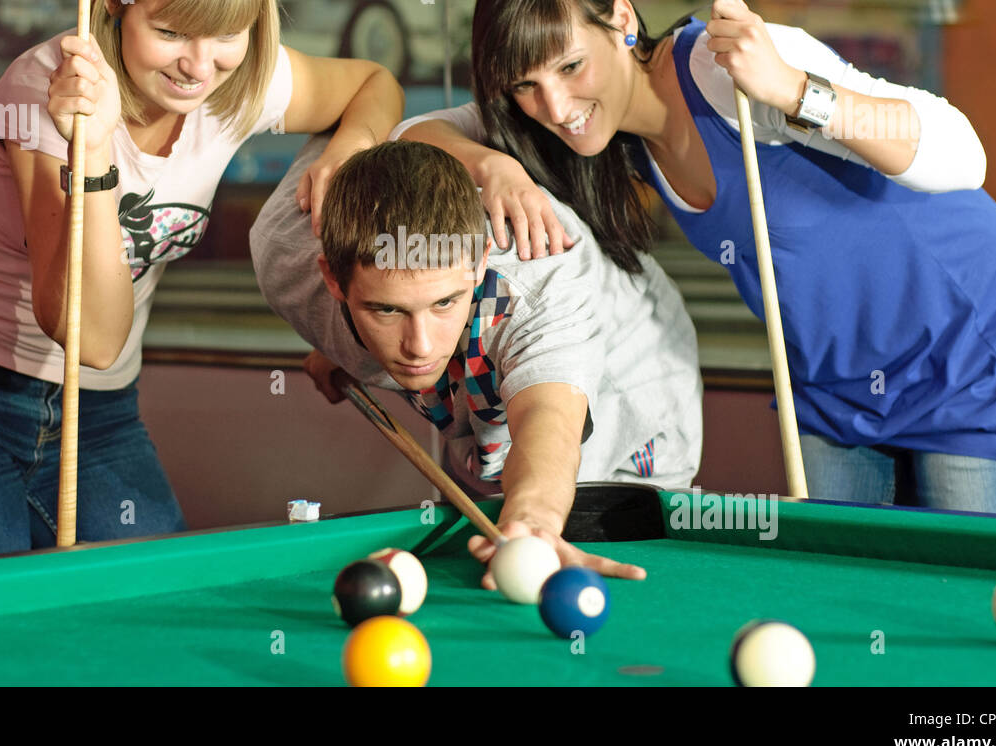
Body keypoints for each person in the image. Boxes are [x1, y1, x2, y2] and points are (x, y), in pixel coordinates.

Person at [396, 0, 996, 516]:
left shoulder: (721, 71)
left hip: (964, 357)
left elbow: (963, 154)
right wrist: (494, 169)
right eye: (525, 84)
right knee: (848, 619)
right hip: (836, 391)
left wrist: (792, 90)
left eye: (571, 65)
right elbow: (412, 137)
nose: (555, 104)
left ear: (623, 20)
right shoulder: (588, 137)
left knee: (964, 627)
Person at [0, 0, 403, 566]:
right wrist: (91, 153)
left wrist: (349, 151)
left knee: (153, 611)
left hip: (98, 410)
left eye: (226, 34)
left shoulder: (238, 82)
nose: (197, 67)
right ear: (117, 2)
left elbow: (373, 85)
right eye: (170, 31)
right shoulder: (47, 95)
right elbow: (92, 333)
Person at [249, 137, 702, 583]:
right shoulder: (285, 258)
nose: (420, 346)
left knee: (552, 542)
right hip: (482, 428)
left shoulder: (543, 284)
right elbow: (368, 88)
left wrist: (533, 517)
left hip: (632, 404)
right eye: (387, 310)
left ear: (480, 260)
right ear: (331, 277)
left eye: (445, 302)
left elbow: (550, 418)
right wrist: (339, 343)